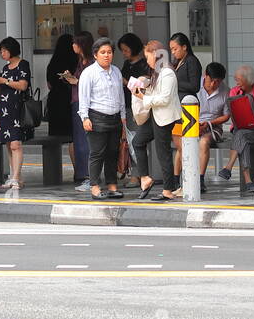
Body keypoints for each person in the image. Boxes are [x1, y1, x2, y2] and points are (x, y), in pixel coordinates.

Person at [77, 38, 126, 200]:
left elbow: (121, 97)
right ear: (95, 55)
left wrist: (123, 118)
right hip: (96, 117)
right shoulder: (89, 73)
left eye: (109, 52)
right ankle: (95, 186)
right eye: (103, 52)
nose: (107, 55)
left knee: (112, 153)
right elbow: (83, 97)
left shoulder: (116, 71)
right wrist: (85, 117)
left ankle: (112, 185)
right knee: (97, 153)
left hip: (115, 118)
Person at [133, 42, 180, 201]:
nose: (147, 61)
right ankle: (145, 178)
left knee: (163, 152)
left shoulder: (167, 73)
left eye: (147, 57)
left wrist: (143, 97)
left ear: (155, 54)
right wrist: (144, 86)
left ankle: (168, 190)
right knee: (138, 141)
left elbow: (165, 98)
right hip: (156, 115)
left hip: (164, 117)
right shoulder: (158, 72)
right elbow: (157, 93)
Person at [220, 65, 254, 195]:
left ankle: (229, 167)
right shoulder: (234, 92)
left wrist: (251, 106)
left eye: (239, 80)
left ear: (248, 79)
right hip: (239, 127)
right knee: (242, 137)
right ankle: (249, 183)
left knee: (241, 136)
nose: (236, 82)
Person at [0, 37, 31, 191]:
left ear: (11, 50)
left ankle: (15, 177)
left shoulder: (23, 64)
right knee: (9, 144)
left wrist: (4, 81)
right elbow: (3, 88)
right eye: (0, 51)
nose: (2, 53)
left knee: (16, 143)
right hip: (5, 108)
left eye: (4, 50)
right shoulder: (6, 68)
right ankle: (15, 176)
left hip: (17, 108)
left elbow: (23, 85)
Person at [63, 31, 94, 192]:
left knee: (85, 143)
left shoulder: (90, 62)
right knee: (80, 142)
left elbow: (90, 82)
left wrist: (76, 81)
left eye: (75, 42)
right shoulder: (81, 61)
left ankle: (89, 177)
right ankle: (85, 176)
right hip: (77, 101)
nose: (73, 45)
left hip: (85, 104)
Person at [169, 33, 202, 181]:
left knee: (185, 146)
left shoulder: (191, 61)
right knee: (179, 146)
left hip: (188, 109)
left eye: (175, 49)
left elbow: (194, 86)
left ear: (184, 47)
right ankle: (177, 179)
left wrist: (174, 83)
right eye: (171, 49)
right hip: (178, 108)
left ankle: (188, 179)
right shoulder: (179, 62)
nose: (173, 52)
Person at [117, 33, 147, 187]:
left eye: (126, 49)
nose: (124, 53)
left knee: (136, 141)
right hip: (127, 106)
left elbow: (140, 89)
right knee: (130, 141)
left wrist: (125, 81)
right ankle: (136, 174)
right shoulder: (127, 64)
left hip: (139, 109)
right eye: (122, 50)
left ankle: (140, 175)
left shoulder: (143, 65)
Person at [195, 62, 231, 192]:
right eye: (212, 81)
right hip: (193, 124)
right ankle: (178, 179)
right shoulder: (195, 85)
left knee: (204, 141)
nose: (213, 85)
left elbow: (226, 116)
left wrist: (209, 124)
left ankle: (200, 179)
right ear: (206, 75)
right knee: (182, 141)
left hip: (213, 127)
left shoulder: (226, 91)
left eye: (218, 82)